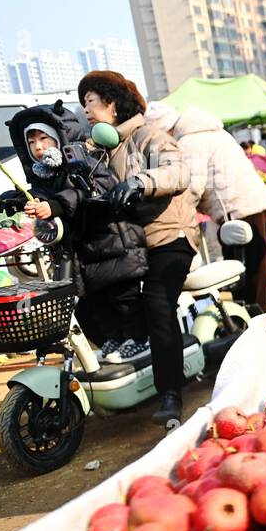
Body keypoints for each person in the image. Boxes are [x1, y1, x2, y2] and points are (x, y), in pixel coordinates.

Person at [78, 70, 196, 425]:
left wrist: (140, 181)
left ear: (112, 105)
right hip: (128, 247)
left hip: (168, 238)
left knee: (157, 304)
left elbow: (178, 172)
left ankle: (171, 392)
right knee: (87, 297)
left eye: (91, 102)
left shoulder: (150, 137)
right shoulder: (96, 150)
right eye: (83, 104)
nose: (85, 110)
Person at [4, 102, 148, 360]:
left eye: (43, 138)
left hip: (111, 241)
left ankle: (138, 339)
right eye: (32, 141)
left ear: (59, 137)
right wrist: (18, 199)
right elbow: (41, 195)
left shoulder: (83, 160)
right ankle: (115, 340)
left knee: (122, 297)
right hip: (83, 251)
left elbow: (94, 188)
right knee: (95, 302)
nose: (38, 147)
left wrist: (56, 205)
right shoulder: (42, 176)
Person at [144, 101, 266, 312]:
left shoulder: (190, 141)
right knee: (258, 268)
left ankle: (254, 320)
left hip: (235, 210)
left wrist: (175, 217)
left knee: (244, 273)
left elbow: (191, 187)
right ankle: (259, 314)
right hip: (251, 203)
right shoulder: (210, 130)